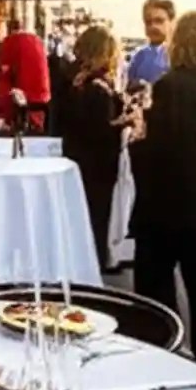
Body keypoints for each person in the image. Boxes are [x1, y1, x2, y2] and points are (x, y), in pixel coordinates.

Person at [129, 11, 196, 370]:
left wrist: (135, 139)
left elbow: (160, 151)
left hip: (167, 206)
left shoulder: (170, 87)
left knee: (155, 286)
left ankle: (165, 355)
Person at [60, 27, 132, 273]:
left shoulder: (77, 81)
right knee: (99, 214)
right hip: (99, 163)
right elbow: (100, 129)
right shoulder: (97, 88)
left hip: (81, 158)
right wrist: (124, 121)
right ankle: (98, 261)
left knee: (89, 213)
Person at [0, 17, 51, 130]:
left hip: (21, 109)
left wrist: (3, 115)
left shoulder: (10, 43)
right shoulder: (38, 42)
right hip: (41, 104)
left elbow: (4, 79)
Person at [127, 0, 175, 88]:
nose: (153, 26)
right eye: (148, 22)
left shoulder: (180, 57)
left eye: (159, 21)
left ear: (172, 22)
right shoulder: (138, 57)